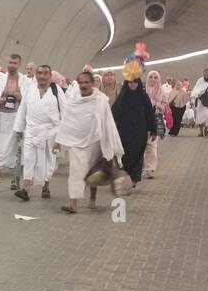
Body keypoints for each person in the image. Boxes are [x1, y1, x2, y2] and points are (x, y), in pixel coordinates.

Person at [56, 71, 124, 214]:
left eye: (87, 82)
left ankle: (92, 200)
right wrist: (59, 141)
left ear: (93, 83)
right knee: (75, 171)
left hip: (95, 141)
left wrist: (111, 145)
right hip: (76, 142)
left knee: (94, 172)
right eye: (81, 82)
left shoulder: (100, 100)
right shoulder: (74, 99)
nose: (84, 85)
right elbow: (67, 120)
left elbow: (108, 123)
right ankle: (73, 204)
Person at [0, 54, 30, 192]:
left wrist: (20, 98)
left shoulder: (25, 82)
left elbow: (29, 102)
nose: (11, 65)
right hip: (1, 119)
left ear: (19, 64)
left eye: (14, 63)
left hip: (17, 119)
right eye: (10, 62)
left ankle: (16, 180)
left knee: (18, 150)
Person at [14, 63, 62, 200]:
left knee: (48, 161)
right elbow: (23, 109)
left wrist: (61, 137)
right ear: (36, 75)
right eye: (39, 73)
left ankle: (46, 186)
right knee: (28, 159)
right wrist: (19, 128)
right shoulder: (30, 89)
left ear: (50, 75)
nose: (42, 76)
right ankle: (26, 190)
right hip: (31, 130)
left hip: (50, 132)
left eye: (45, 73)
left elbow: (65, 112)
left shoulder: (56, 90)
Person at [111, 66, 153, 185]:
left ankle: (133, 179)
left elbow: (150, 113)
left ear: (138, 83)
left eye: (134, 82)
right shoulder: (123, 96)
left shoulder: (143, 96)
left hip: (140, 131)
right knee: (124, 155)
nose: (132, 85)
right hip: (123, 131)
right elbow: (114, 113)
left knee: (138, 154)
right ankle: (124, 177)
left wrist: (153, 130)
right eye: (129, 83)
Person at [142, 70, 166, 178]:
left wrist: (160, 106)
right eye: (151, 77)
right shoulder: (142, 92)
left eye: (155, 77)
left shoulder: (162, 92)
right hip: (142, 122)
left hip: (155, 121)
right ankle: (140, 167)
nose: (153, 79)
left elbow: (165, 108)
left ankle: (150, 168)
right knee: (141, 145)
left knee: (152, 145)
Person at [190, 68, 208, 135]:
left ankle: (206, 129)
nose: (206, 75)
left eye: (207, 73)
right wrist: (196, 95)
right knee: (200, 116)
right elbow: (195, 89)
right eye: (205, 73)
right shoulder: (200, 80)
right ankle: (201, 132)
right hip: (202, 101)